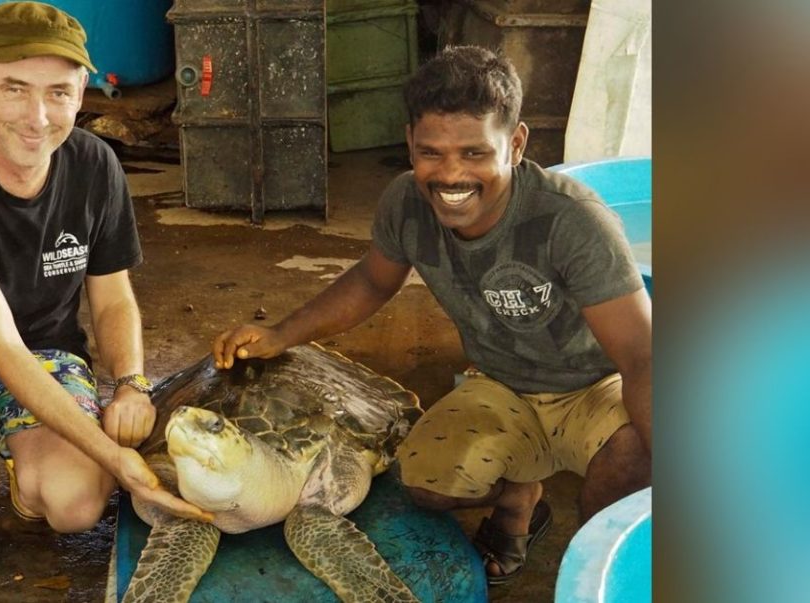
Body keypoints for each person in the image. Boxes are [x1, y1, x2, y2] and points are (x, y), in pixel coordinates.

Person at [212, 45, 651, 585]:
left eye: (473, 153)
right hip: (504, 383)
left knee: (635, 463)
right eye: (431, 153)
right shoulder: (405, 202)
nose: (450, 175)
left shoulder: (573, 221)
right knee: (424, 481)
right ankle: (520, 502)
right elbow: (373, 281)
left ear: (514, 145)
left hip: (595, 384)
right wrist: (281, 333)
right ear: (410, 145)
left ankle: (598, 573)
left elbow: (642, 356)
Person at [0, 1, 210, 553]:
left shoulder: (97, 164)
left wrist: (130, 384)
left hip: (48, 354)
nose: (38, 117)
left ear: (82, 91)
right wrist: (113, 455)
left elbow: (113, 296)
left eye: (58, 92)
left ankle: (27, 467)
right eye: (15, 88)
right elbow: (0, 343)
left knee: (75, 509)